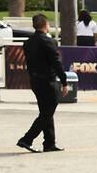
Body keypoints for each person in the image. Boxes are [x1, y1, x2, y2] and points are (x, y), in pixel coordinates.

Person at [16, 14, 65, 153]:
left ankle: (49, 143)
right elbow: (56, 63)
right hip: (48, 81)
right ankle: (27, 139)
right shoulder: (48, 42)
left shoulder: (28, 42)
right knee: (47, 113)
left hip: (35, 81)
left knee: (46, 111)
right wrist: (64, 81)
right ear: (45, 25)